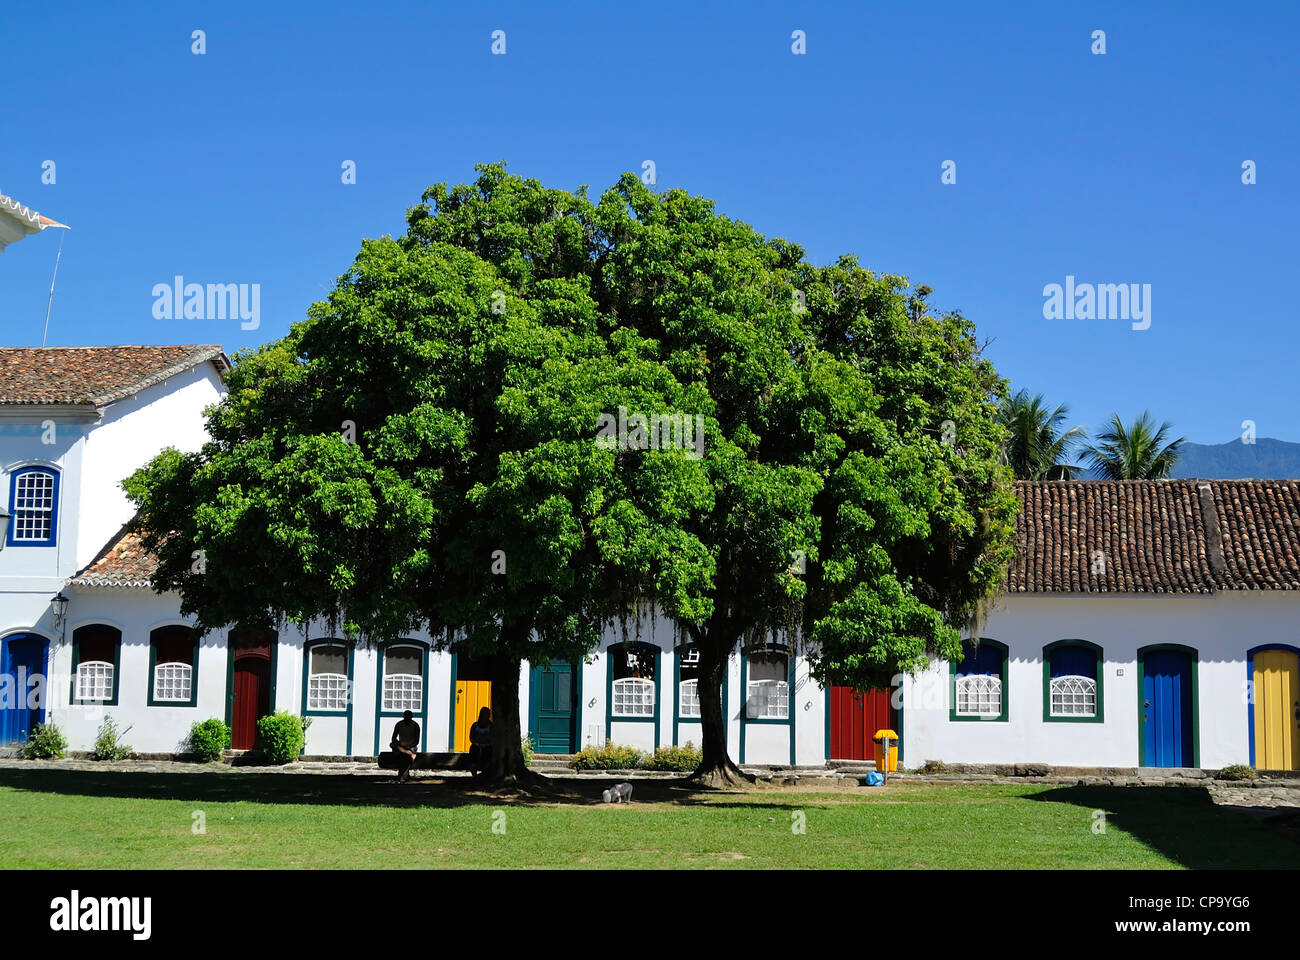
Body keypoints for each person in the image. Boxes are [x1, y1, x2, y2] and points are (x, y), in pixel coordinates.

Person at [390, 710, 420, 783]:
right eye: (406, 717)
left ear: (411, 717)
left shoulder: (416, 726)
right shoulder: (399, 724)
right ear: (403, 717)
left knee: (404, 758)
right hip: (401, 746)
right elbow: (394, 738)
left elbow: (416, 741)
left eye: (409, 717)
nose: (407, 718)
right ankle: (409, 753)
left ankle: (402, 776)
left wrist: (409, 746)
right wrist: (399, 744)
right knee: (392, 745)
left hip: (411, 746)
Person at [468, 706, 492, 777]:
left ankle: (485, 773)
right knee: (474, 752)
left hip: (487, 746)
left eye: (488, 714)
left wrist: (487, 744)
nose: (488, 716)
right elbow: (471, 737)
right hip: (476, 745)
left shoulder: (491, 726)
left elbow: (493, 737)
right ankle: (474, 774)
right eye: (486, 714)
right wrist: (476, 743)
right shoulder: (475, 725)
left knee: (487, 753)